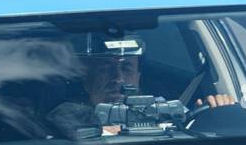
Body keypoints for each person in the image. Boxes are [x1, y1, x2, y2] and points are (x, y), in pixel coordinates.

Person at [46, 32, 234, 138]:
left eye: (126, 68)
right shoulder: (67, 113)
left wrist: (216, 111)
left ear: (138, 76)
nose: (118, 78)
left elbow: (193, 127)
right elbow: (73, 133)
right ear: (87, 80)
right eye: (105, 69)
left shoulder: (164, 108)